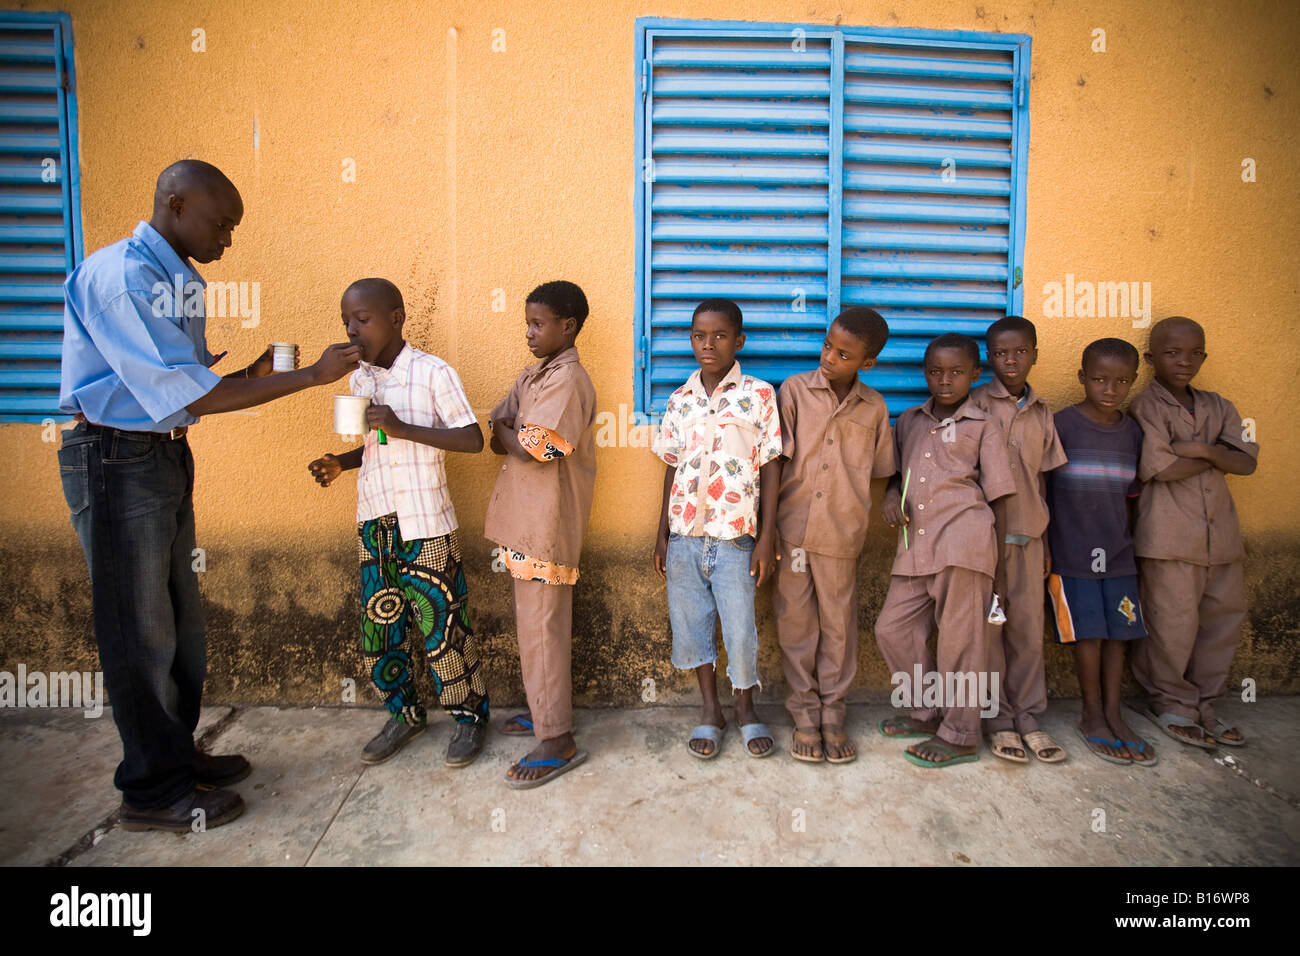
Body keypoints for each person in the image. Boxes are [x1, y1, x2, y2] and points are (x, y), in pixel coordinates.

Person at [57, 160, 359, 831]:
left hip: (157, 456)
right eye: (221, 224)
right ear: (175, 203)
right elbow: (188, 394)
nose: (228, 239)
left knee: (176, 623)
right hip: (114, 459)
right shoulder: (125, 278)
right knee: (137, 629)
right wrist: (309, 376)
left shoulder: (176, 278)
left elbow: (185, 381)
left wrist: (253, 374)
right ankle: (152, 790)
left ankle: (175, 752)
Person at [308, 278, 490, 768]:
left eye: (362, 319)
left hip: (426, 524)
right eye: (346, 320)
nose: (352, 329)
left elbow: (471, 439)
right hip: (375, 521)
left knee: (442, 630)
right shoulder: (359, 380)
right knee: (380, 630)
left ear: (396, 318)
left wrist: (402, 426)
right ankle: (404, 714)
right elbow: (375, 446)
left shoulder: (433, 373)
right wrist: (341, 463)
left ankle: (469, 718)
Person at [875, 332, 1015, 767]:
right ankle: (927, 709)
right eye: (936, 371)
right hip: (915, 545)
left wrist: (1001, 567)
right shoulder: (912, 421)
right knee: (892, 629)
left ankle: (961, 733)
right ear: (925, 374)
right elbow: (899, 476)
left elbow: (1001, 496)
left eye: (957, 372)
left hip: (965, 542)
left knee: (961, 643)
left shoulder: (983, 425)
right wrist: (889, 495)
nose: (945, 380)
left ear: (975, 374)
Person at [653, 298, 781, 760]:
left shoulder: (760, 395)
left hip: (736, 539)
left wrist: (767, 536)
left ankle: (746, 708)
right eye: (699, 336)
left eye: (720, 336)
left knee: (740, 629)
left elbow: (771, 467)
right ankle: (711, 710)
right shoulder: (679, 399)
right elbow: (671, 466)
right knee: (692, 627)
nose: (708, 345)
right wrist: (661, 534)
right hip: (685, 537)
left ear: (738, 341)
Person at [484, 281, 597, 788]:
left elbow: (536, 448)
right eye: (527, 323)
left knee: (543, 627)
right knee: (532, 625)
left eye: (537, 323)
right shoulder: (536, 374)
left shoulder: (568, 380)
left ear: (567, 326)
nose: (529, 332)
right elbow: (498, 432)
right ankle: (542, 708)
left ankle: (557, 739)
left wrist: (509, 434)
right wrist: (509, 435)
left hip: (546, 525)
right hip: (526, 520)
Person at [771, 307, 894, 764]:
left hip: (842, 537)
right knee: (796, 623)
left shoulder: (875, 408)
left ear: (867, 363)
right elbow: (775, 462)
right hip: (793, 533)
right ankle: (804, 714)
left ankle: (833, 713)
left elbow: (883, 472)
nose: (829, 358)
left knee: (838, 627)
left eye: (844, 354)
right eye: (827, 346)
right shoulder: (796, 392)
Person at [1129, 317, 1258, 749]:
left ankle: (1206, 703)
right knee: (1171, 624)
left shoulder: (1217, 405)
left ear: (1203, 355)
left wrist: (1201, 449)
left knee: (1220, 623)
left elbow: (1247, 462)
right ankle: (1170, 701)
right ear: (1150, 359)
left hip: (1220, 539)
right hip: (1169, 538)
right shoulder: (1147, 406)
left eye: (1193, 353)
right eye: (1172, 352)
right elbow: (1161, 468)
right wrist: (1220, 453)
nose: (1184, 361)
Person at [1046, 338, 1155, 765]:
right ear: (1082, 378)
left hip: (1119, 556)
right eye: (1099, 379)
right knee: (1087, 635)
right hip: (1071, 554)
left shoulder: (1132, 433)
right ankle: (1092, 714)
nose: (1110, 389)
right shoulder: (1061, 426)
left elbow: (1130, 497)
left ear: (1132, 382)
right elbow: (1043, 490)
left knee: (1120, 635)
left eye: (1121, 381)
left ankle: (1115, 713)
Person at [969, 316, 1069, 764]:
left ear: (1034, 354)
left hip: (1029, 535)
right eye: (1001, 353)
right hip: (984, 539)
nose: (1011, 360)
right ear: (988, 358)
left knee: (1028, 630)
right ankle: (997, 718)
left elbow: (1042, 480)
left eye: (1020, 352)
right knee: (989, 630)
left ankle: (1029, 716)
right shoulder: (973, 405)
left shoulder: (1042, 412)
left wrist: (1044, 539)